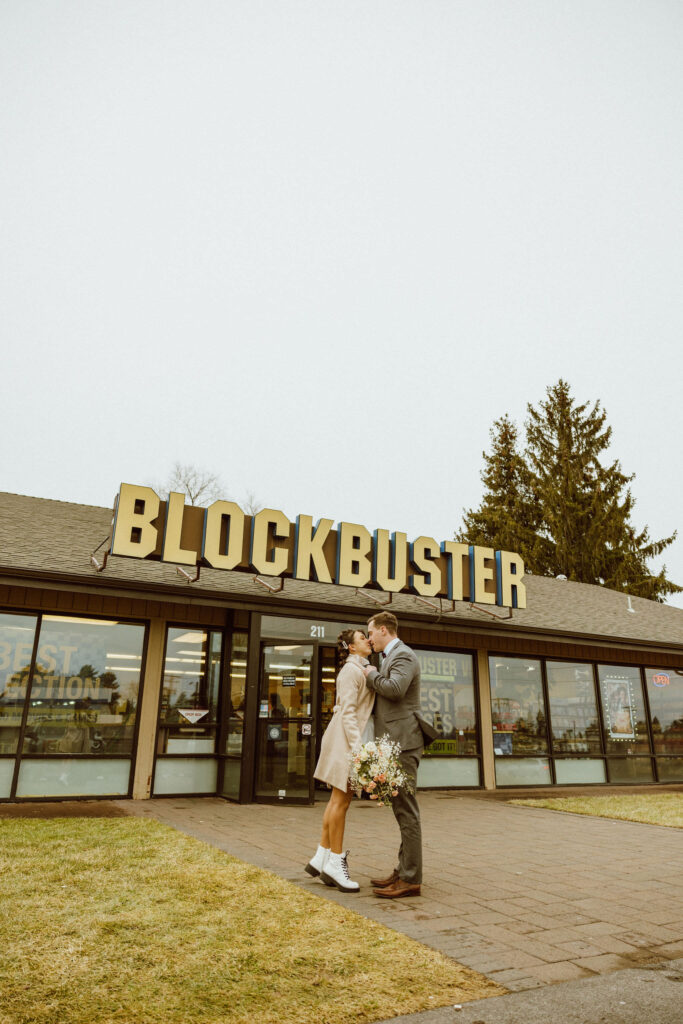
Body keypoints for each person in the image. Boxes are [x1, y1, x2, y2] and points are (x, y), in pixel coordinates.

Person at [305, 628, 375, 893]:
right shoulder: (350, 671)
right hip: (346, 740)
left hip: (346, 739)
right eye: (362, 638)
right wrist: (358, 750)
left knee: (338, 800)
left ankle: (321, 856)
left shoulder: (360, 668)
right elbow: (348, 713)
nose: (368, 640)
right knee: (341, 801)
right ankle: (335, 861)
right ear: (351, 647)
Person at [363, 611, 424, 899]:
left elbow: (396, 689)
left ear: (384, 630)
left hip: (404, 743)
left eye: (371, 632)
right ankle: (403, 870)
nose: (369, 639)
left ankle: (411, 879)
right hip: (396, 742)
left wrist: (371, 675)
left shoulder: (404, 655)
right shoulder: (391, 656)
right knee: (401, 810)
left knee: (407, 811)